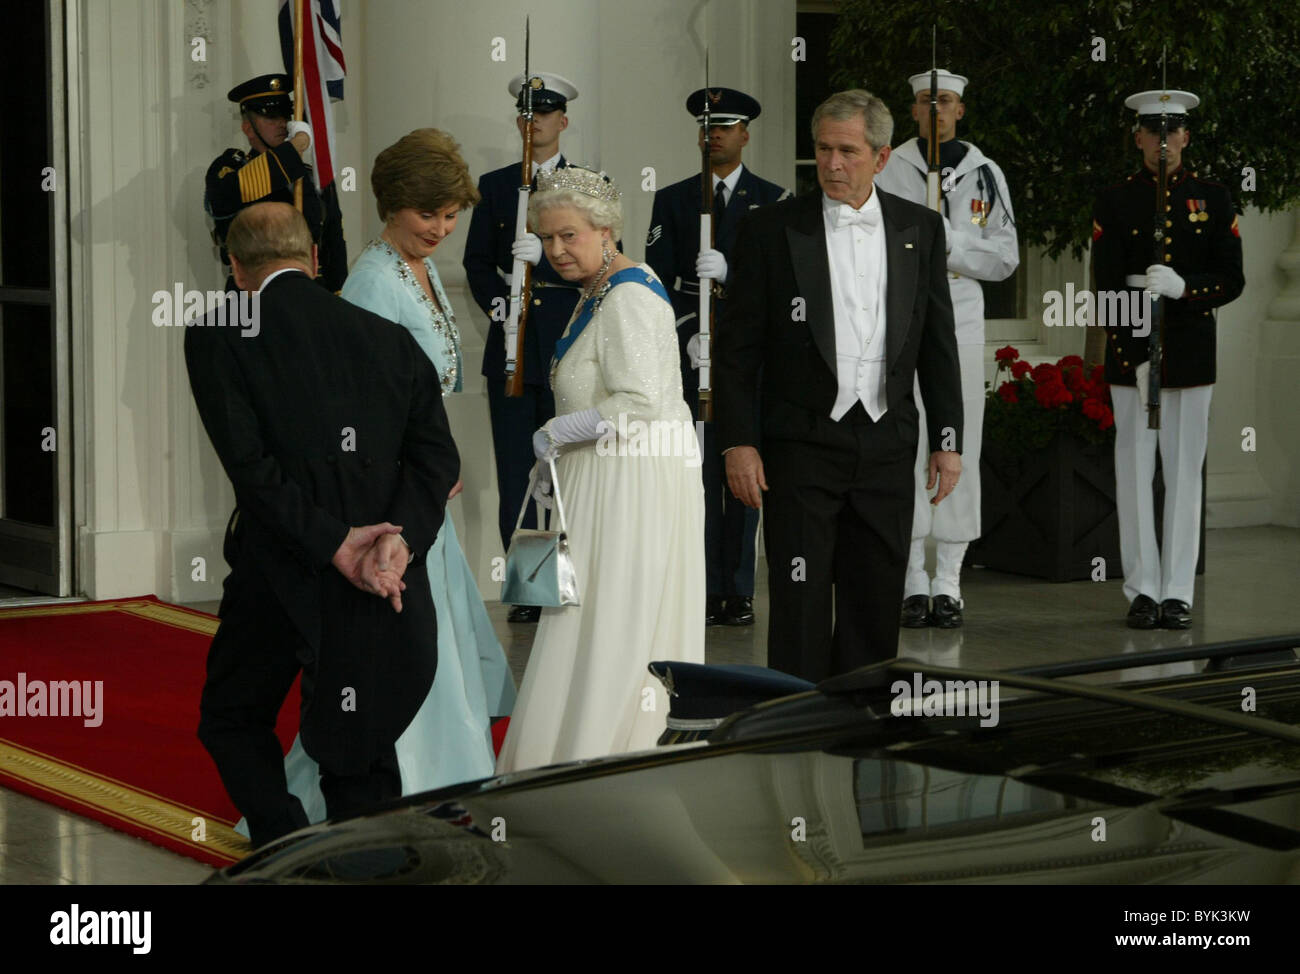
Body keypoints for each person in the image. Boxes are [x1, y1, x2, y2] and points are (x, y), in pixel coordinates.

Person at [251, 130, 516, 828]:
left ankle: (438, 778)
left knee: (433, 641)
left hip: (425, 486)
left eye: (451, 214)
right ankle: (405, 784)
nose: (442, 228)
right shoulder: (372, 280)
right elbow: (356, 404)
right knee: (406, 644)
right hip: (394, 497)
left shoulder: (417, 269)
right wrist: (412, 472)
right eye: (427, 213)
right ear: (392, 205)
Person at [185, 202, 458, 849]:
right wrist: (397, 540)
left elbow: (251, 471)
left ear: (234, 266)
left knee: (231, 716)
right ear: (313, 258)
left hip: (275, 571)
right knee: (357, 749)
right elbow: (438, 460)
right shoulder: (387, 340)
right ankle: (368, 867)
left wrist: (335, 543)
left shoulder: (218, 333)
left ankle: (287, 846)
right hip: (376, 586)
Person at [716, 89, 964, 682]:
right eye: (824, 149)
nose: (832, 164)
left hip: (887, 441)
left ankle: (865, 718)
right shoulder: (769, 230)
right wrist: (737, 442)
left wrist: (947, 440)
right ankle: (796, 720)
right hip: (799, 444)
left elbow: (938, 344)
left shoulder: (921, 228)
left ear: (880, 158)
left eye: (848, 151)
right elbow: (736, 350)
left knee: (875, 595)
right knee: (799, 595)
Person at [495, 166, 705, 772]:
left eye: (569, 236)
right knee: (590, 626)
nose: (556, 250)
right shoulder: (598, 291)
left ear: (607, 229)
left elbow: (641, 402)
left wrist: (556, 431)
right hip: (607, 480)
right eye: (548, 238)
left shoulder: (631, 294)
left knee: (611, 625)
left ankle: (604, 752)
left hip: (630, 488)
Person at [1093, 88, 1243, 630]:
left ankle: (1178, 589)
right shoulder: (1114, 199)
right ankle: (1141, 588)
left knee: (1183, 473)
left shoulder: (1215, 198)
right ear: (1139, 138)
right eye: (1152, 132)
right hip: (1133, 348)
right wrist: (1133, 355)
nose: (1163, 141)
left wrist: (1185, 288)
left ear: (1185, 136)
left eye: (1172, 131)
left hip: (1189, 346)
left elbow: (1232, 280)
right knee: (1133, 469)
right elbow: (1106, 285)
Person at [874, 69, 1019, 629]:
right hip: (900, 311)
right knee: (906, 440)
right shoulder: (891, 165)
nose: (937, 109)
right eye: (926, 101)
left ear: (961, 109)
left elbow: (1003, 258)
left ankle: (950, 579)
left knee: (960, 440)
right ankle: (912, 577)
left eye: (948, 101)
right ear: (911, 110)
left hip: (959, 312)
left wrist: (946, 241)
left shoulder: (984, 172)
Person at [645, 87, 790, 628]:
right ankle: (704, 584)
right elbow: (655, 276)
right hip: (692, 350)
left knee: (745, 465)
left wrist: (732, 273)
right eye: (707, 126)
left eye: (726, 125)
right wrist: (685, 330)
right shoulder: (674, 198)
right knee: (700, 472)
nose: (715, 134)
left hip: (748, 355)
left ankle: (740, 586)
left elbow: (779, 281)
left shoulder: (772, 199)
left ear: (745, 133)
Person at [463, 73, 582, 625]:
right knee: (518, 474)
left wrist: (551, 257)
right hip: (510, 350)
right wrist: (499, 305)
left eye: (546, 113)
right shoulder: (495, 185)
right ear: (519, 122)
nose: (534, 122)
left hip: (565, 348)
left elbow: (607, 264)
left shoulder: (586, 185)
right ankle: (528, 588)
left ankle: (568, 578)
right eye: (526, 113)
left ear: (563, 121)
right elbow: (475, 264)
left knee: (565, 473)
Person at [204, 73, 347, 293]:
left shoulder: (312, 176)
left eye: (285, 115)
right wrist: (296, 147)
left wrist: (339, 299)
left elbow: (334, 245)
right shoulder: (230, 168)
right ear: (248, 127)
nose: (282, 123)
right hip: (253, 294)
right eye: (270, 116)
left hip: (313, 291)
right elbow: (228, 195)